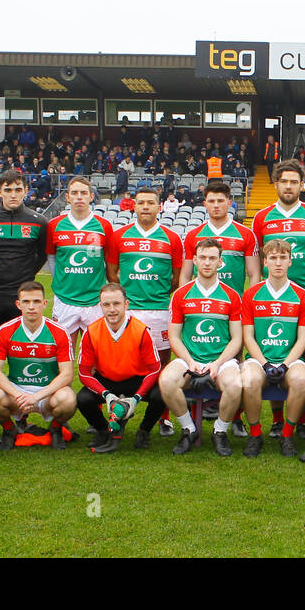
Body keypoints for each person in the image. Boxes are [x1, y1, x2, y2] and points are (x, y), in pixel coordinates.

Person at [106, 186, 183, 435]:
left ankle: (163, 417)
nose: (146, 207)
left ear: (159, 206)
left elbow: (177, 278)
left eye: (151, 203)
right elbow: (112, 272)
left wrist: (160, 294)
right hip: (131, 312)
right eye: (141, 203)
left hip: (159, 309)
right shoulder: (120, 236)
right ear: (134, 206)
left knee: (162, 365)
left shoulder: (171, 238)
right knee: (127, 364)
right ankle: (121, 412)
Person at [158, 239, 244, 456]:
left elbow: (236, 339)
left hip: (221, 360)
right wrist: (190, 362)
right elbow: (175, 336)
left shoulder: (232, 295)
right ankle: (189, 429)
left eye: (212, 258)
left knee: (235, 385)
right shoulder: (180, 294)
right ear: (194, 260)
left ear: (220, 262)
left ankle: (220, 431)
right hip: (190, 357)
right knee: (166, 381)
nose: (207, 263)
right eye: (202, 258)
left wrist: (217, 364)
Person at [239, 240, 305, 458]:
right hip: (259, 358)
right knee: (250, 380)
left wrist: (285, 364)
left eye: (282, 258)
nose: (278, 263)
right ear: (264, 262)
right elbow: (248, 337)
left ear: (290, 261)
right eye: (273, 258)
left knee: (300, 379)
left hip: (290, 359)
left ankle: (287, 434)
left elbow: (303, 339)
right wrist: (264, 363)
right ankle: (255, 433)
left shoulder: (302, 295)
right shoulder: (251, 294)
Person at [0, 281, 77, 451]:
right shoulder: (5, 330)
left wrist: (37, 396)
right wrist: (19, 395)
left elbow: (67, 374)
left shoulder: (59, 331)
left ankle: (55, 429)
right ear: (18, 304)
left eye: (36, 301)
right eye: (26, 302)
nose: (31, 306)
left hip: (47, 392)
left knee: (68, 399)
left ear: (44, 303)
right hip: (16, 391)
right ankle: (9, 430)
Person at [76, 284, 164, 454]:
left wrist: (136, 398)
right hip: (107, 380)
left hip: (136, 379)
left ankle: (144, 431)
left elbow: (155, 369)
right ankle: (103, 430)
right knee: (83, 399)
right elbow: (83, 373)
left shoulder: (141, 330)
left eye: (116, 304)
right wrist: (106, 395)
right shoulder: (91, 332)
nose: (112, 309)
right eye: (106, 305)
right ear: (100, 306)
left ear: (126, 304)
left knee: (161, 395)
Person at [0, 171, 48, 354]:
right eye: (8, 190)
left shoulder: (39, 222)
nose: (13, 194)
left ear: (26, 191)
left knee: (23, 351)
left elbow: (43, 255)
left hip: (22, 297)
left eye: (18, 189)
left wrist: (26, 273)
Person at [46, 176, 113, 348]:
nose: (79, 197)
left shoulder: (104, 226)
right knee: (62, 355)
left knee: (96, 356)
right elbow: (52, 258)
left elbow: (108, 260)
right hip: (64, 300)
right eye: (74, 193)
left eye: (83, 193)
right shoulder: (54, 225)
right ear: (67, 197)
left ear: (91, 197)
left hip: (95, 300)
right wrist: (61, 283)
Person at [251, 159, 305, 292]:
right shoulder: (261, 217)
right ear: (276, 184)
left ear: (301, 185)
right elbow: (258, 257)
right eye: (284, 181)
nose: (288, 186)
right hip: (272, 293)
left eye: (293, 182)